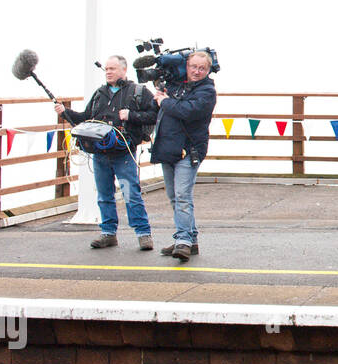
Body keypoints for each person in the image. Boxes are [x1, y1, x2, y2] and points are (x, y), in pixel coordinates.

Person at [54, 55, 158, 251]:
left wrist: (131, 116)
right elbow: (85, 119)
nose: (109, 72)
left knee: (131, 194)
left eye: (113, 69)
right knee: (104, 195)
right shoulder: (99, 93)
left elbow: (155, 114)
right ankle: (108, 233)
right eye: (107, 69)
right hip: (100, 153)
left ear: (123, 70)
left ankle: (143, 234)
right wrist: (65, 112)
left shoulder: (139, 92)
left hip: (124, 152)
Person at [151, 50, 217, 262]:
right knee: (174, 196)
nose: (197, 71)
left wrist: (164, 101)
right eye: (193, 67)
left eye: (202, 68)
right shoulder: (175, 84)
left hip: (190, 151)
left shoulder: (207, 91)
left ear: (208, 70)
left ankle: (184, 241)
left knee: (182, 196)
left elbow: (188, 110)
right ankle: (190, 238)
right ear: (186, 66)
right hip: (168, 148)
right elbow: (161, 100)